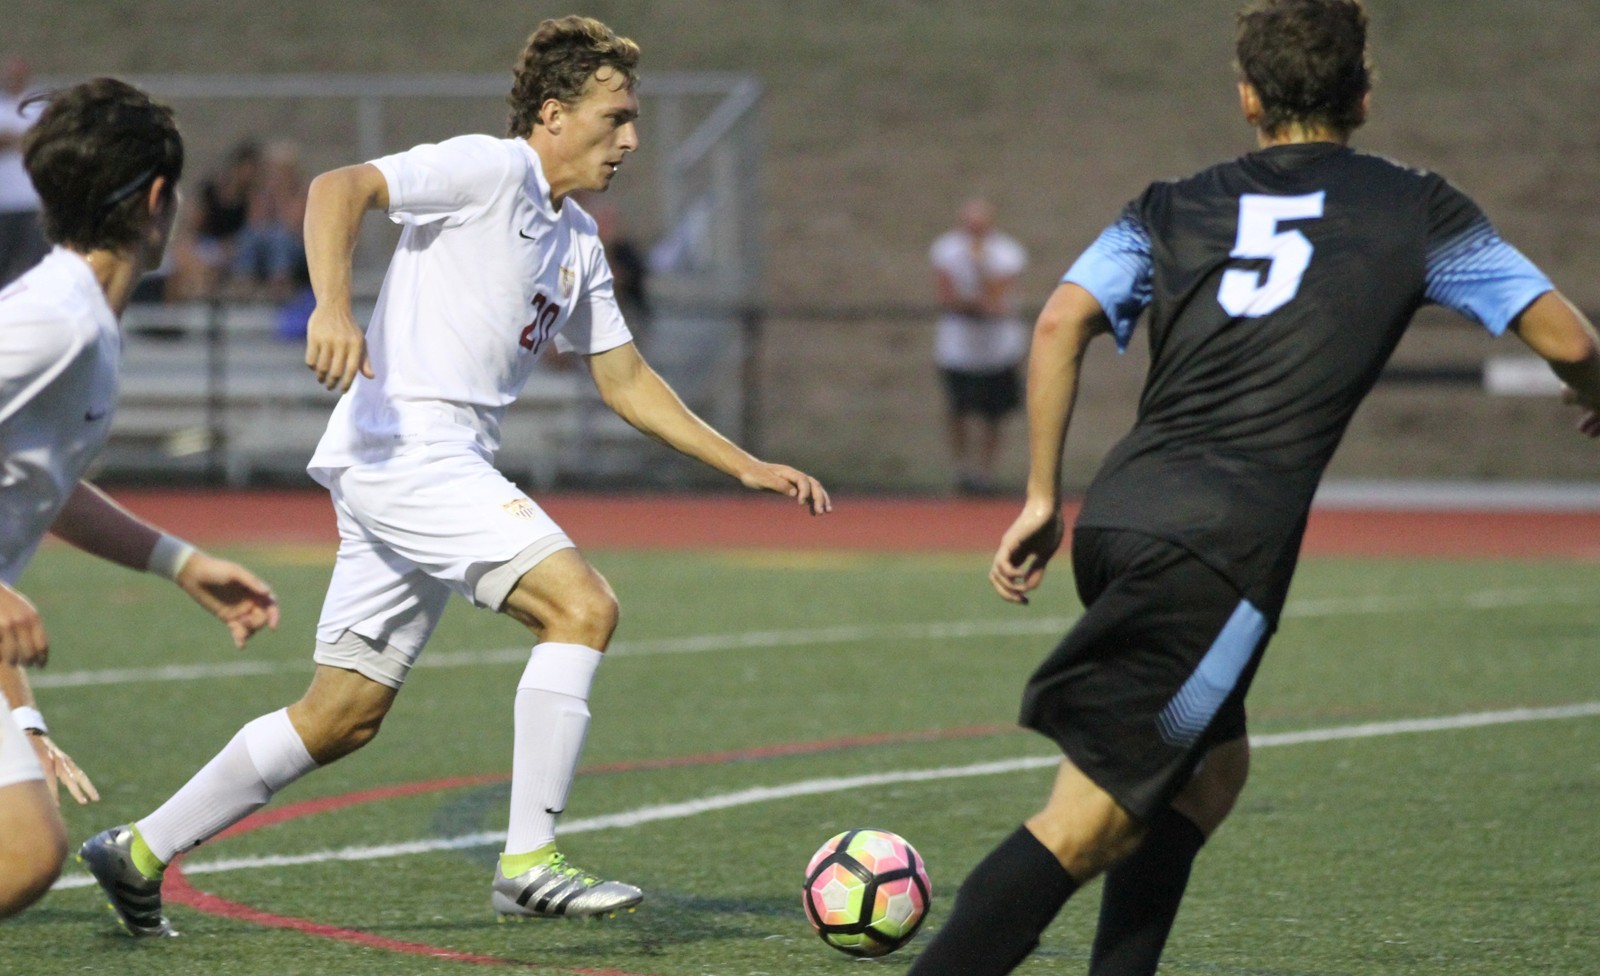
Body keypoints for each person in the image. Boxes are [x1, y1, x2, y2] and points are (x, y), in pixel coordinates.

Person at [82, 15, 830, 938]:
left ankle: (137, 850)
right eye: (617, 116)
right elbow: (338, 186)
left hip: (425, 462)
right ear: (553, 114)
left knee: (344, 713)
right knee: (582, 607)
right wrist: (333, 307)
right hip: (410, 448)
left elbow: (626, 379)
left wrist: (745, 464)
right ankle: (528, 863)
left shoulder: (580, 242)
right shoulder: (490, 168)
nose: (631, 138)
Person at [905, 2, 1600, 974]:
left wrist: (1037, 496)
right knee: (1083, 826)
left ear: (1246, 99)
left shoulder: (1168, 205)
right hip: (1218, 554)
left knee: (1205, 776)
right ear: (1363, 95)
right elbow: (1569, 339)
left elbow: (1059, 321)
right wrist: (1592, 392)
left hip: (1120, 515)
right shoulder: (1417, 207)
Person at [0, 77, 281, 922]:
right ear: (159, 199)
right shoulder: (60, 321)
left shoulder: (82, 317)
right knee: (24, 854)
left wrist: (178, 561)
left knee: (24, 854)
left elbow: (42, 482)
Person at [929, 197, 1029, 495]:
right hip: (958, 351)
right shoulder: (945, 249)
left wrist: (979, 264)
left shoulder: (1007, 252)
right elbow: (949, 299)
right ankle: (962, 472)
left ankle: (986, 476)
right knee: (958, 411)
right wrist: (977, 305)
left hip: (999, 349)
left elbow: (996, 297)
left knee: (994, 416)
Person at [0, 55, 48, 287]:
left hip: (32, 201)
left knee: (36, 264)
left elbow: (42, 140)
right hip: (4, 203)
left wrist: (13, 139)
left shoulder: (38, 106)